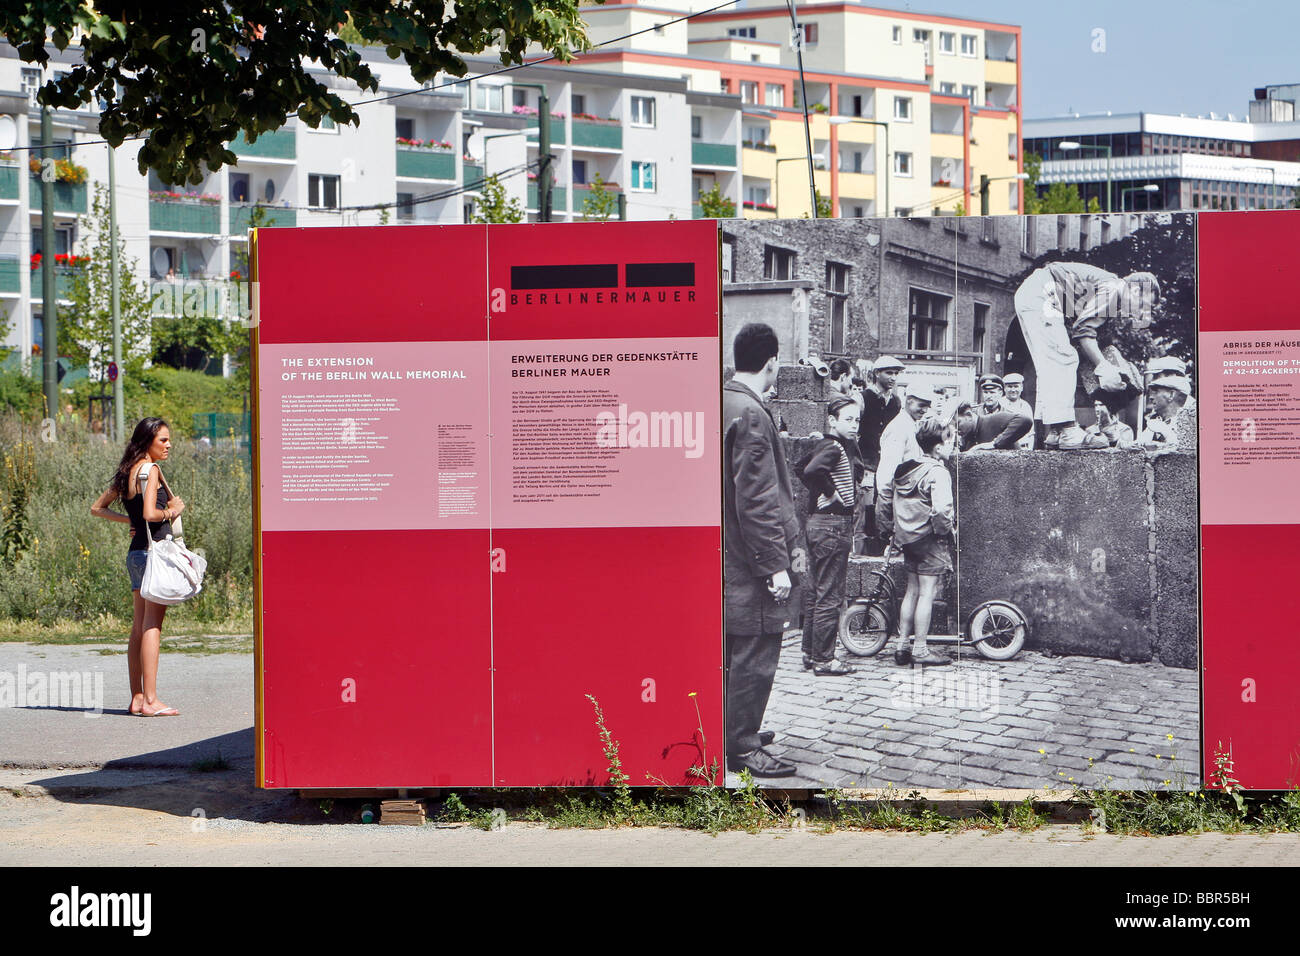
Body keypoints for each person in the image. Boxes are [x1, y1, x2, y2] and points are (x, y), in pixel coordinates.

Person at [723, 323, 805, 778]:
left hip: (726, 556)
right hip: (751, 559)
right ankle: (742, 743)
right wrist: (775, 566)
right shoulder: (753, 413)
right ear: (772, 363)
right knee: (756, 651)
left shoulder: (724, 399)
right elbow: (757, 500)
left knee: (730, 650)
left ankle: (731, 728)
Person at [90, 417, 186, 717]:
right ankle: (151, 701)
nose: (169, 445)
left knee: (137, 627)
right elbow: (150, 513)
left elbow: (97, 508)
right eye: (163, 440)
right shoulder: (152, 470)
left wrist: (128, 522)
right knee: (152, 626)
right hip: (154, 553)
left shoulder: (127, 472)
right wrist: (172, 510)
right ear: (147, 442)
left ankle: (137, 697)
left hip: (136, 555)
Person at [1012, 262, 1159, 450]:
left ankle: (1055, 432)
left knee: (1050, 364)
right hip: (1043, 294)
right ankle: (1066, 430)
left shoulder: (1108, 288)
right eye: (1143, 304)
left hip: (1035, 293)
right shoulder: (1115, 288)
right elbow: (1083, 332)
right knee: (1063, 358)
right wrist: (1104, 367)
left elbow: (1086, 335)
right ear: (1136, 291)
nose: (1141, 311)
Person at [796, 396, 863, 676]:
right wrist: (831, 493)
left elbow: (800, 467)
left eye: (857, 419)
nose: (854, 424)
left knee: (816, 591)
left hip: (818, 525)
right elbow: (810, 470)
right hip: (832, 526)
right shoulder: (834, 447)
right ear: (832, 421)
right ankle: (824, 659)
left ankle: (811, 653)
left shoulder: (825, 444)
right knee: (830, 594)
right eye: (848, 419)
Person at [883, 418, 956, 667]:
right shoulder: (937, 471)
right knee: (927, 593)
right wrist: (943, 532)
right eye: (949, 440)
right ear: (938, 447)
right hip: (929, 539)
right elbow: (943, 510)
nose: (952, 445)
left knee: (911, 591)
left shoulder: (905, 469)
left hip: (908, 539)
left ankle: (902, 645)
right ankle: (921, 649)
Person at [874, 379, 934, 535]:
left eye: (927, 406)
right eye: (921, 405)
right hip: (895, 500)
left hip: (907, 501)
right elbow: (887, 471)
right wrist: (887, 507)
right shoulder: (899, 427)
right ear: (909, 400)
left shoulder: (911, 424)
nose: (925, 410)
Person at [1138, 375, 1194, 451]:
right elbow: (1138, 446)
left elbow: (1188, 451)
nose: (1150, 397)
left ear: (1171, 395)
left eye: (1156, 392)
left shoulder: (1190, 422)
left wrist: (1166, 432)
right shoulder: (1155, 422)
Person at [955, 400, 1034, 452]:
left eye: (958, 423)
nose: (956, 429)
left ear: (968, 415)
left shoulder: (994, 419)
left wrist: (994, 444)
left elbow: (1025, 420)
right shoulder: (967, 438)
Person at [1001, 372, 1035, 449]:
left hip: (1024, 448)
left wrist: (1029, 451)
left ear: (1021, 387)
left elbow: (1031, 433)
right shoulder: (1000, 404)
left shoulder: (1026, 406)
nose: (1013, 390)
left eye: (1016, 386)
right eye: (1010, 386)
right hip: (1005, 449)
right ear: (1004, 388)